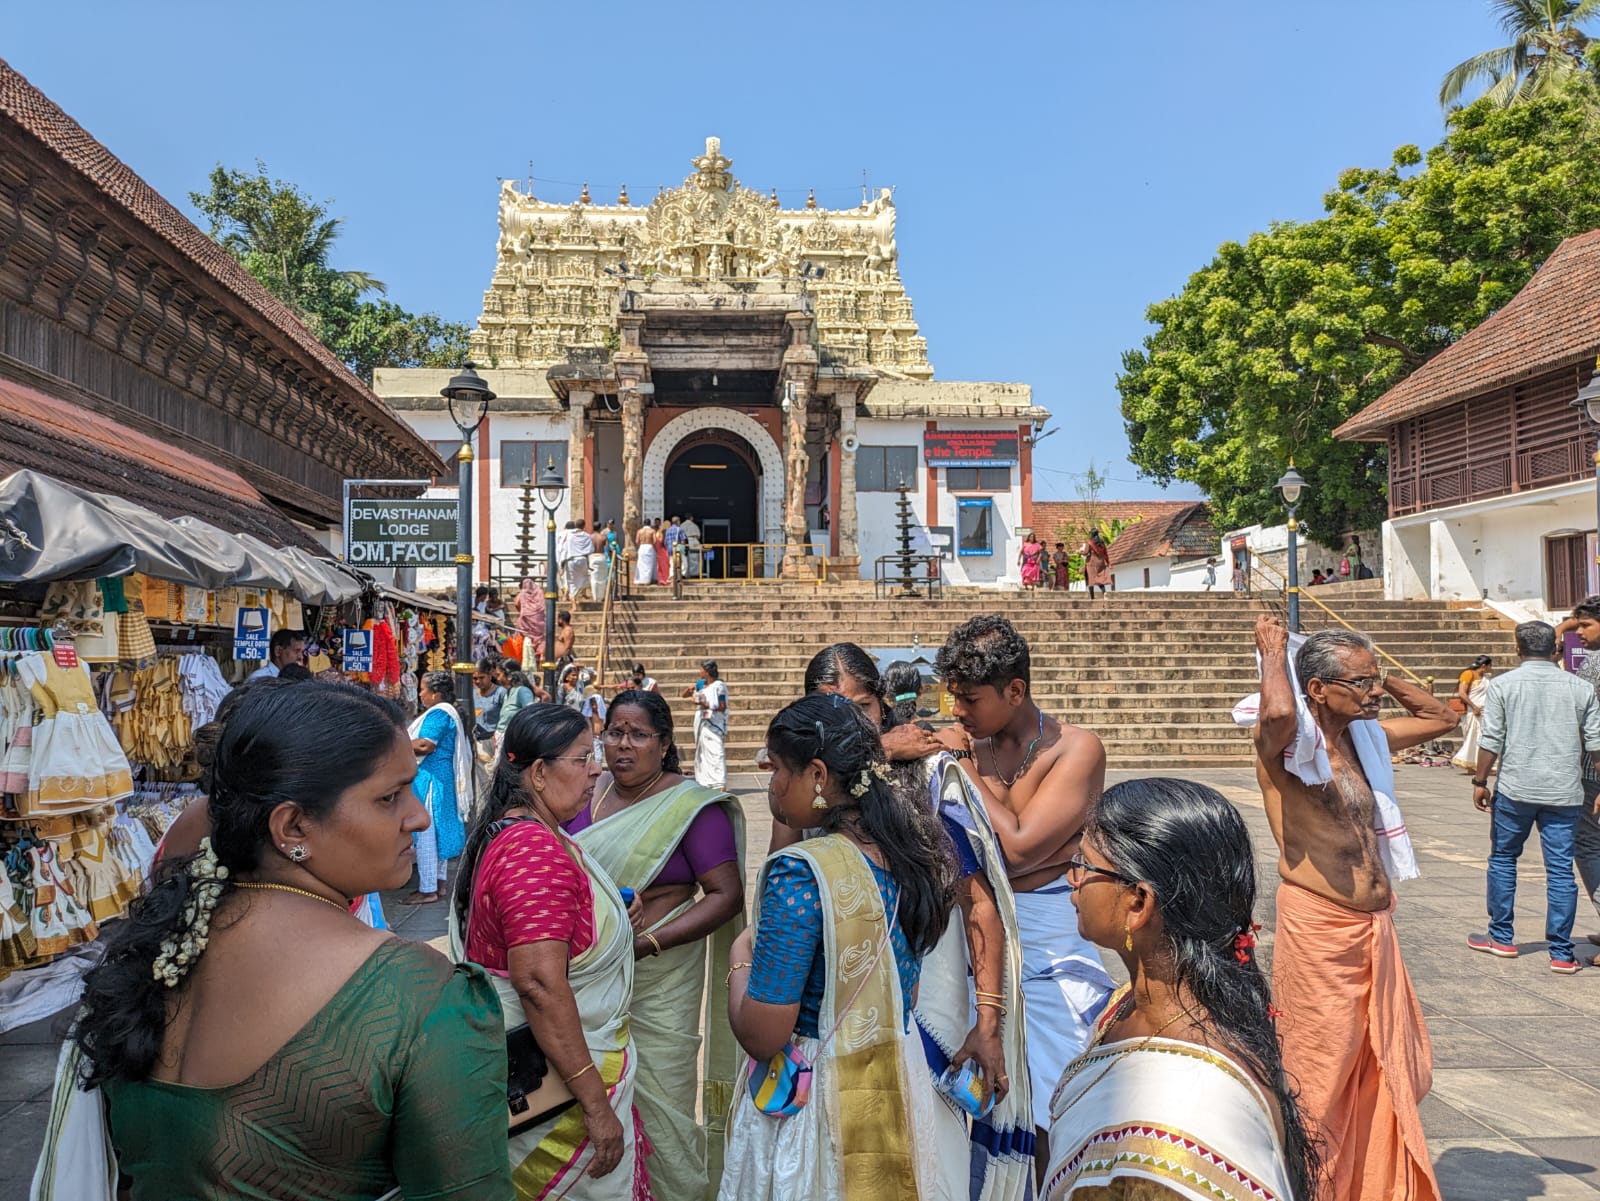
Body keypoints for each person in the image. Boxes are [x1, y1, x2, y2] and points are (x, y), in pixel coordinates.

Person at [58, 683, 511, 1200]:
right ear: (293, 826)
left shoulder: (162, 947)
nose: (419, 815)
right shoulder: (425, 998)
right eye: (389, 797)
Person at [797, 643, 1033, 1198]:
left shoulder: (929, 776)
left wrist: (989, 1025)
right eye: (828, 709)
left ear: (882, 704)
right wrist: (869, 751)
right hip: (836, 1013)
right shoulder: (808, 783)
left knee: (932, 1163)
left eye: (861, 708)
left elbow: (978, 904)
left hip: (928, 1006)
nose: (846, 723)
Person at [1248, 615, 1456, 1201]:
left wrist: (1377, 678)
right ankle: (1312, 1181)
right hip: (1319, 926)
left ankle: (1366, 1184)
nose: (1371, 692)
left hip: (1374, 928)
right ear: (1317, 688)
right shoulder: (1286, 750)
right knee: (1320, 1067)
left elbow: (1443, 718)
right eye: (1359, 683)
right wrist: (1273, 653)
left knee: (1378, 1065)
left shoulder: (1366, 739)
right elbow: (1279, 714)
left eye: (1373, 681)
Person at [720, 693, 960, 1200]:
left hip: (815, 1102)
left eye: (779, 769)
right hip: (893, 1079)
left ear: (818, 775)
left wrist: (740, 958)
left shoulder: (800, 873)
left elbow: (764, 1034)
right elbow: (905, 995)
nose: (772, 786)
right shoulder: (908, 853)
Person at [1044, 778, 1316, 1201]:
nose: (1072, 878)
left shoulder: (1188, 1106)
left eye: (1085, 864)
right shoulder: (1127, 1006)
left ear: (1138, 903)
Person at [452, 703, 650, 1198]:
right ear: (539, 773)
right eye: (583, 759)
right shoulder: (532, 849)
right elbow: (539, 984)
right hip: (558, 1093)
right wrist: (595, 1106)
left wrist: (610, 922)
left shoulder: (532, 833)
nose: (597, 769)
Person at [933, 616, 1115, 1156]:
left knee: (1056, 1105)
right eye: (953, 700)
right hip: (970, 937)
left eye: (968, 699)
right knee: (969, 1105)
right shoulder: (966, 738)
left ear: (1015, 691)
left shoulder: (1077, 749)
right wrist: (1043, 851)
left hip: (1052, 943)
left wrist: (961, 764)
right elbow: (1006, 853)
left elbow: (1008, 851)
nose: (958, 713)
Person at [567, 690, 746, 1200]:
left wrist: (646, 943)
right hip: (587, 980)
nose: (623, 746)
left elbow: (726, 895)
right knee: (587, 1102)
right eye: (615, 733)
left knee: (661, 1105)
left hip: (658, 981)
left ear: (664, 743)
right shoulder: (587, 789)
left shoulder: (688, 805)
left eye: (639, 735)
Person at [1469, 621, 1600, 974]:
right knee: (1560, 870)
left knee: (1503, 859)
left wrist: (1480, 781)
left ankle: (1501, 937)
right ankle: (1561, 952)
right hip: (1565, 792)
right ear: (1555, 649)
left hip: (1516, 790)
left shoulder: (1503, 685)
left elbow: (1491, 739)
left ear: (1517, 649)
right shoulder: (1579, 686)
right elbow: (1596, 744)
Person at [403, 671, 473, 905]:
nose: (420, 693)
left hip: (432, 780)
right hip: (441, 779)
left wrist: (395, 741)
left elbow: (426, 744)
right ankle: (438, 885)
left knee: (426, 834)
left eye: (423, 689)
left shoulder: (438, 714)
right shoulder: (446, 713)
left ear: (435, 693)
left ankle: (427, 889)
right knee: (437, 831)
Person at [1559, 595, 1600, 958]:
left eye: (1584, 625)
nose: (1578, 633)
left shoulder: (1594, 666)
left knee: (1588, 845)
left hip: (1595, 771)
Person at [683, 659, 728, 790]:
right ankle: (705, 781)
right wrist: (689, 690)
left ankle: (720, 782)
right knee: (702, 750)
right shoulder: (701, 684)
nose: (699, 671)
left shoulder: (719, 686)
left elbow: (722, 706)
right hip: (701, 720)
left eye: (701, 669)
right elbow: (684, 695)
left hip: (713, 721)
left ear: (707, 672)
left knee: (716, 750)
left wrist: (704, 704)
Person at [1450, 654, 1493, 773]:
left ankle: (1479, 765)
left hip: (1485, 711)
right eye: (1489, 666)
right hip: (1472, 711)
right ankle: (1471, 765)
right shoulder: (1468, 674)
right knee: (1472, 737)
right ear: (1484, 666)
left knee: (1483, 737)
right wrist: (1474, 706)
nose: (1490, 669)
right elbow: (1462, 693)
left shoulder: (1487, 677)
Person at [495, 658, 540, 752]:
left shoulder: (522, 691)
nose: (498, 679)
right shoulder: (509, 692)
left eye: (499, 675)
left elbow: (530, 715)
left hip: (514, 740)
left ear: (509, 675)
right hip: (502, 738)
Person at [473, 656, 507, 743]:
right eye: (475, 678)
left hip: (495, 741)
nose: (478, 681)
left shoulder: (500, 693)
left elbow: (507, 718)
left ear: (490, 675)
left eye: (481, 678)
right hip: (477, 741)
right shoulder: (472, 694)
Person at [514, 576, 547, 656]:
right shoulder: (540, 592)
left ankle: (523, 657)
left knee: (524, 638)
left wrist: (522, 610)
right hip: (539, 621)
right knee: (540, 640)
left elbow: (516, 603)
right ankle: (540, 656)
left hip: (525, 621)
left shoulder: (522, 593)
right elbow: (544, 604)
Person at [569, 520, 597, 602]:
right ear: (584, 526)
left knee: (572, 581)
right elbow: (591, 549)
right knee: (584, 577)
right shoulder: (587, 536)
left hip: (571, 559)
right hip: (582, 559)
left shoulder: (570, 536)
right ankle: (583, 593)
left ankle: (573, 603)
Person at [1080, 530, 1111, 598]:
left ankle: (1092, 597)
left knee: (1090, 579)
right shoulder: (1102, 542)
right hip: (1100, 562)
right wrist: (1108, 563)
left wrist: (1080, 552)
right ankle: (1104, 592)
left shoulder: (1090, 542)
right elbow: (1105, 553)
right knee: (1099, 578)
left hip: (1092, 562)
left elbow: (1085, 553)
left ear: (1091, 534)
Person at [634, 519, 658, 586]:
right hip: (649, 547)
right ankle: (647, 580)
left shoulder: (639, 531)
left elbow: (636, 541)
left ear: (643, 523)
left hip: (642, 547)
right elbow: (655, 541)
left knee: (641, 564)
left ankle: (640, 580)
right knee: (649, 564)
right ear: (650, 524)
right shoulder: (652, 531)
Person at [557, 522, 575, 599]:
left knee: (560, 578)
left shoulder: (558, 534)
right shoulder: (574, 535)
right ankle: (566, 594)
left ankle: (564, 593)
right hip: (569, 558)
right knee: (568, 577)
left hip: (558, 558)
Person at [681, 514, 702, 579]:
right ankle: (695, 574)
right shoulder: (694, 525)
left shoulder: (682, 525)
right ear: (691, 518)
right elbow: (698, 536)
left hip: (684, 542)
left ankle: (685, 574)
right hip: (694, 541)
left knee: (684, 559)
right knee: (695, 559)